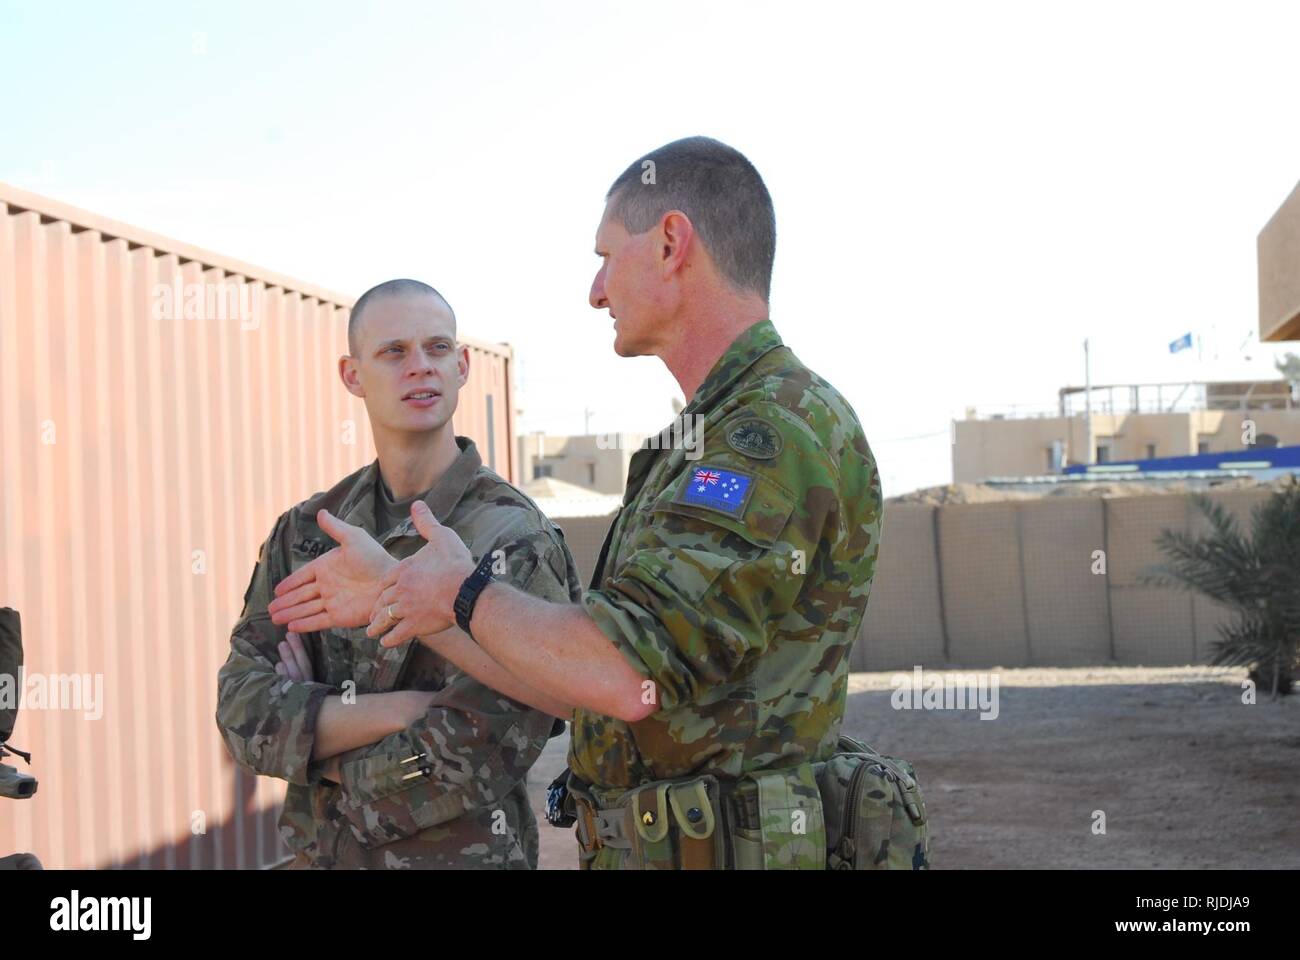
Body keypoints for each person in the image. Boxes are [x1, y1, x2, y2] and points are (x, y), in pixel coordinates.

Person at [288, 137, 884, 870]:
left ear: (671, 243)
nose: (596, 291)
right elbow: (585, 692)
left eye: (605, 256)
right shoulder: (712, 435)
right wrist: (423, 601)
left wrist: (465, 591)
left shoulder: (766, 434)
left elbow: (623, 675)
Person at [215, 279, 581, 869]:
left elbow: (488, 742)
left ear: (462, 367)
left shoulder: (512, 536)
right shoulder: (308, 531)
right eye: (394, 352)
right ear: (352, 375)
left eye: (437, 349)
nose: (421, 368)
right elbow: (240, 708)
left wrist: (320, 757)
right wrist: (406, 708)